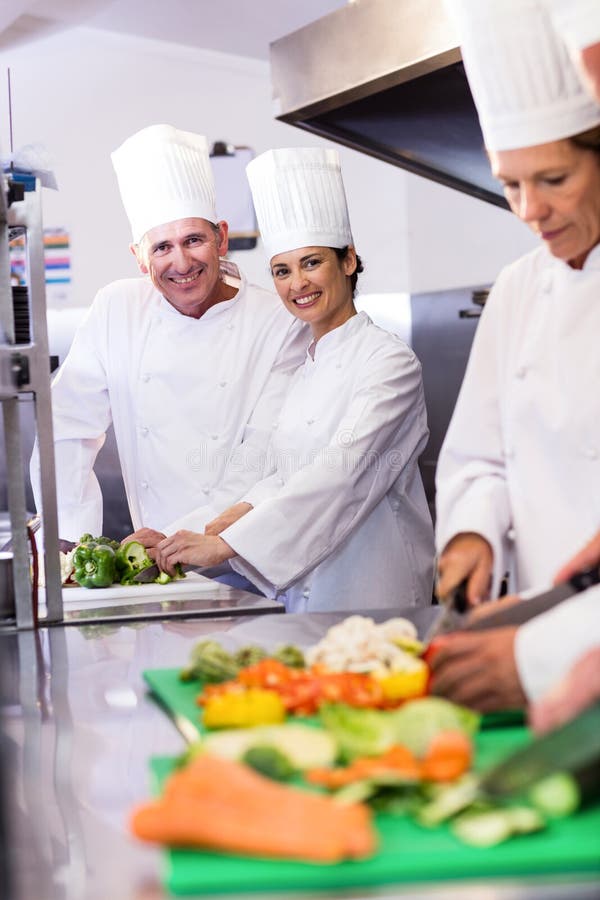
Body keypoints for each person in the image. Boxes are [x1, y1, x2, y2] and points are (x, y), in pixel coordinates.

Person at [153, 147, 435, 611]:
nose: (296, 284)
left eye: (311, 263)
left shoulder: (390, 364)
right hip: (306, 599)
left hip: (376, 593)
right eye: (282, 271)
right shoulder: (303, 369)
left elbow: (341, 474)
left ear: (347, 262)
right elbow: (281, 475)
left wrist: (230, 546)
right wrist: (191, 535)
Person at [430, 0, 600, 709]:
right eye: (510, 184)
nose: (530, 210)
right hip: (539, 626)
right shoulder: (517, 287)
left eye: (553, 179)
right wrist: (472, 534)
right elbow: (481, 454)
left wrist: (546, 652)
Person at [30, 125, 308, 545]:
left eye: (194, 239)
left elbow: (265, 453)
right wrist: (73, 543)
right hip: (155, 555)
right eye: (161, 247)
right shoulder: (116, 309)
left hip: (246, 551)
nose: (181, 261)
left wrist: (184, 538)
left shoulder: (279, 320)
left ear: (222, 239)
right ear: (139, 259)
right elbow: (67, 430)